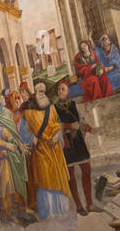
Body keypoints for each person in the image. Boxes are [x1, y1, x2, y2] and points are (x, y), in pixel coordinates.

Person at [19, 82, 75, 219]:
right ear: (35, 96)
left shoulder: (52, 109)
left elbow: (57, 124)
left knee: (56, 177)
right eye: (39, 92)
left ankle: (61, 209)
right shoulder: (29, 114)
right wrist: (32, 138)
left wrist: (57, 135)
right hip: (40, 152)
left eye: (43, 92)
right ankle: (47, 212)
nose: (42, 94)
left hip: (54, 150)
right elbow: (24, 132)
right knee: (44, 179)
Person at [0, 94, 35, 224]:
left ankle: (22, 208)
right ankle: (9, 213)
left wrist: (20, 145)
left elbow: (14, 133)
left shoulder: (7, 115)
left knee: (18, 180)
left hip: (14, 154)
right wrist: (8, 145)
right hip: (3, 157)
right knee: (6, 185)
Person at [54, 80, 94, 215]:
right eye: (59, 89)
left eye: (63, 89)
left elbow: (80, 119)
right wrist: (69, 126)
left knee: (86, 170)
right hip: (67, 143)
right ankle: (79, 206)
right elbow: (54, 127)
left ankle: (90, 204)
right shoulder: (54, 108)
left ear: (68, 91)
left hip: (78, 141)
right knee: (71, 176)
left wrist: (89, 128)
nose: (60, 91)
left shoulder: (73, 104)